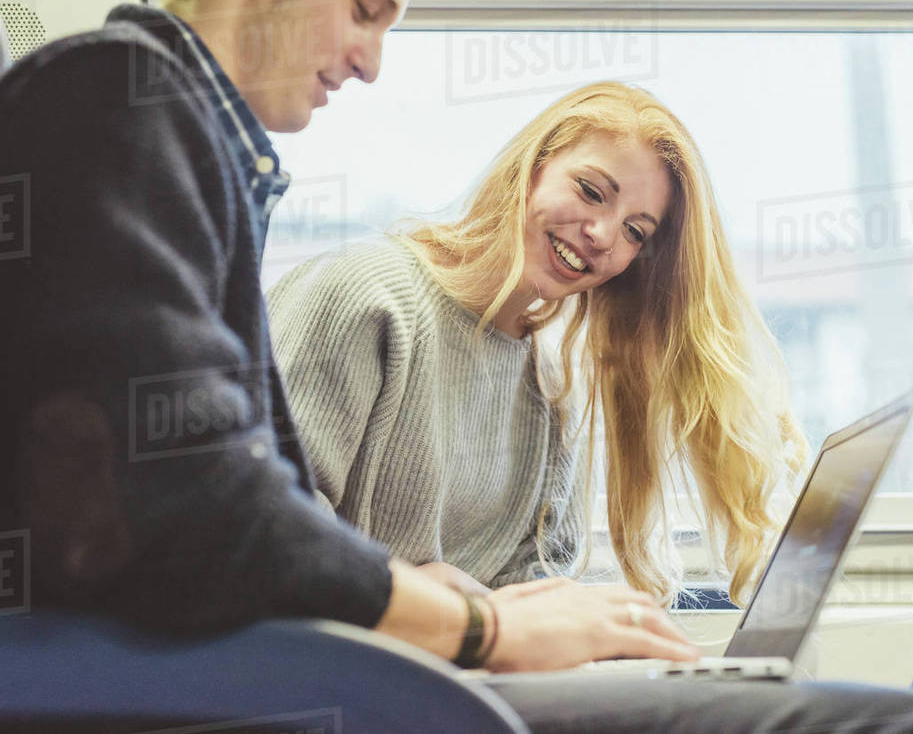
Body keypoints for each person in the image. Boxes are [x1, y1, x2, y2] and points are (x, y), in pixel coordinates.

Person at [0, 0, 913, 731]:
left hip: (254, 666)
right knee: (896, 721)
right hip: (219, 686)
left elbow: (214, 504)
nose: (374, 62)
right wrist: (486, 629)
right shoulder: (117, 98)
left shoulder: (194, 143)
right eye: (364, 7)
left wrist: (452, 600)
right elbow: (196, 513)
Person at [267, 81, 808, 606]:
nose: (602, 234)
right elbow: (266, 534)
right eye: (591, 192)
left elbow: (527, 589)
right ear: (532, 169)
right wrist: (438, 599)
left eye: (635, 232)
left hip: (459, 680)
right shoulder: (365, 296)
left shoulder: (549, 391)